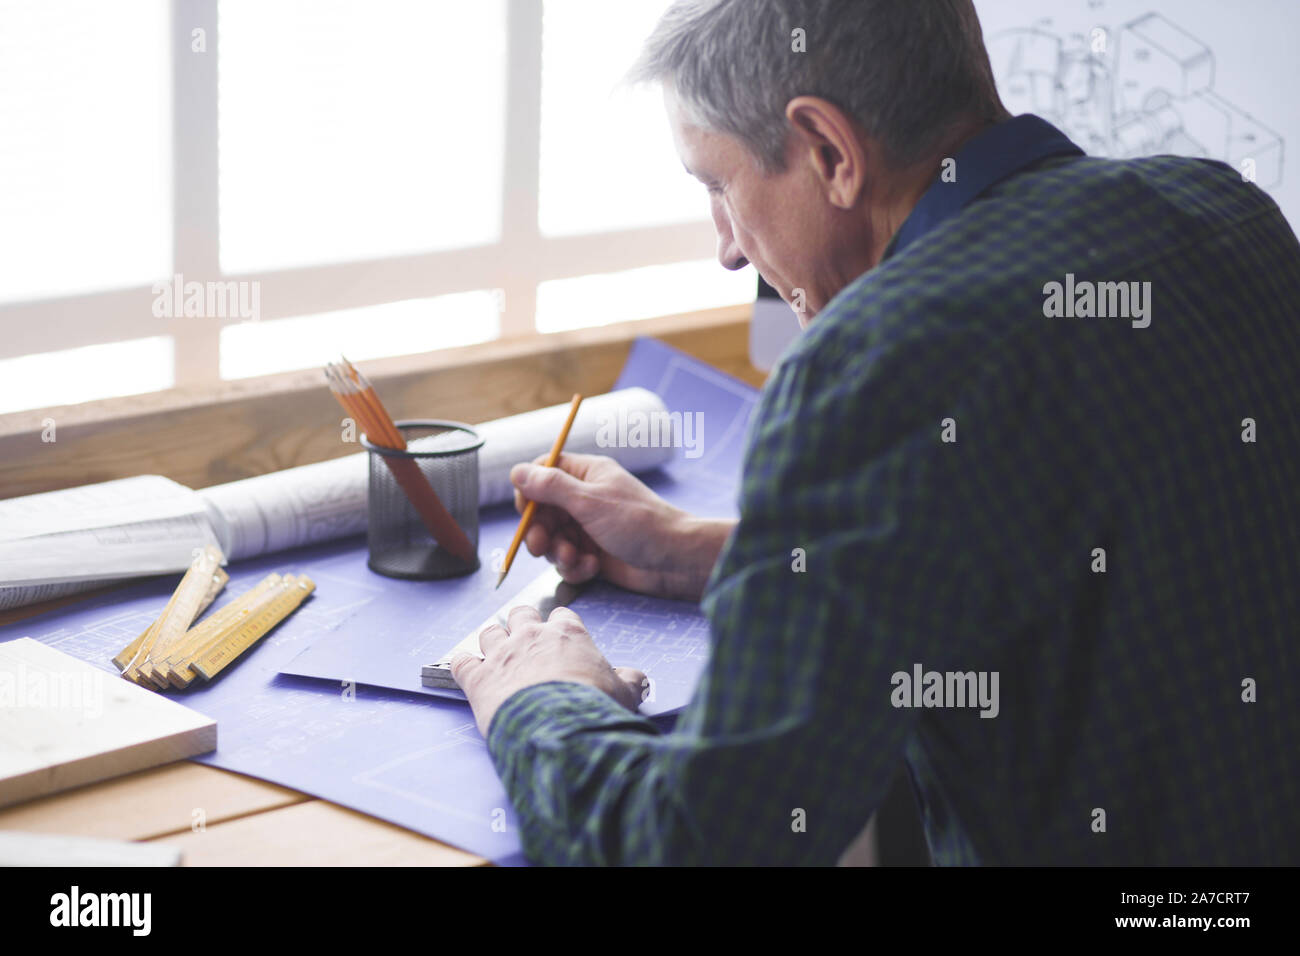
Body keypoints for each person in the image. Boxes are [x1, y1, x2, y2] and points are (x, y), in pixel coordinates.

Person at [451, 0, 1300, 865]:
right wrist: (708, 553)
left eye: (718, 185)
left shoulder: (873, 366)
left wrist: (541, 698)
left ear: (829, 152)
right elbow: (1066, 550)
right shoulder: (1233, 217)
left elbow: (695, 846)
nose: (728, 250)